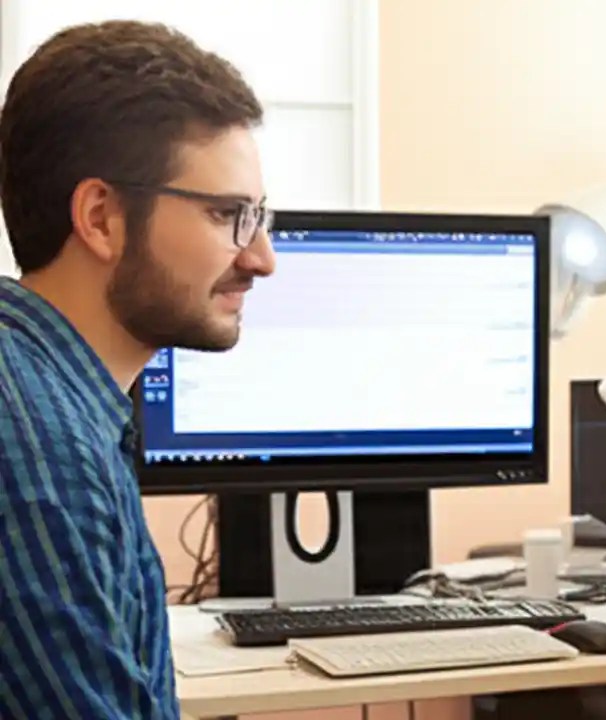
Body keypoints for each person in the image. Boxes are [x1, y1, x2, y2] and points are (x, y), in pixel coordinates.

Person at [0, 21, 274, 718]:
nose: (261, 258)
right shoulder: (37, 447)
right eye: (228, 216)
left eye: (259, 217)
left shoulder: (58, 399)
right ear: (100, 218)